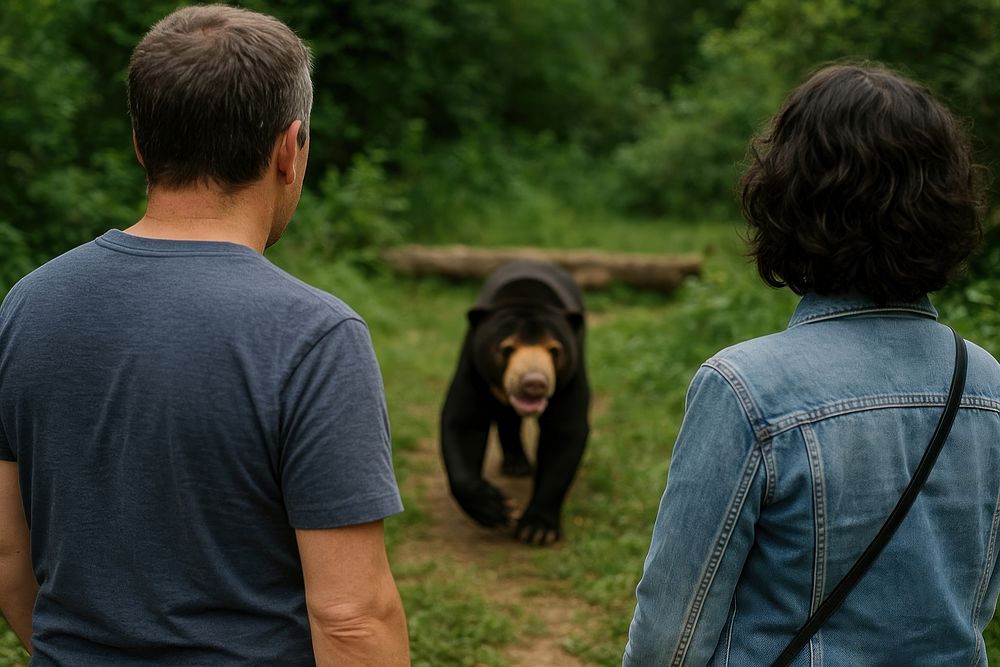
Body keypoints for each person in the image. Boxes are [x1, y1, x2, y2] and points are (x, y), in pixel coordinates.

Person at [0, 5, 409, 665]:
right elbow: (353, 616)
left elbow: (7, 553)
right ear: (289, 148)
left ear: (141, 143)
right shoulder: (315, 336)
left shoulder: (27, 303)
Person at [623, 63, 1000, 666]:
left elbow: (676, 621)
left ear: (786, 198)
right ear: (947, 205)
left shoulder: (746, 389)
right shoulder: (988, 383)